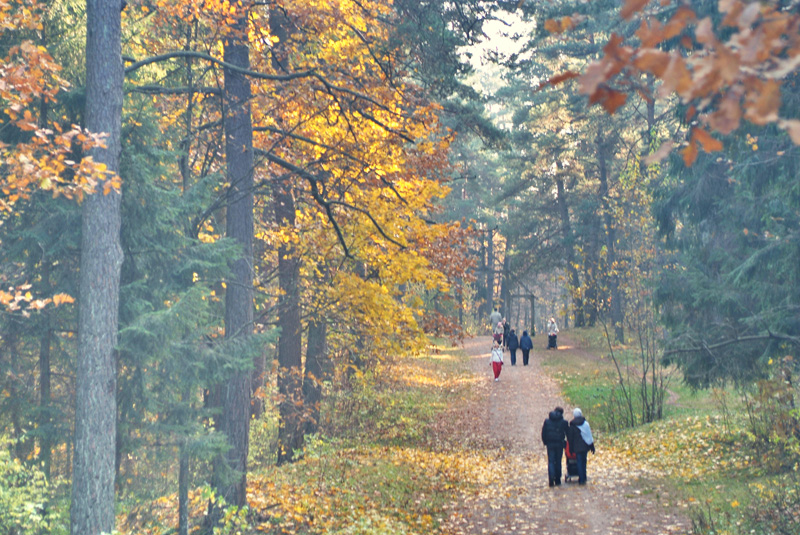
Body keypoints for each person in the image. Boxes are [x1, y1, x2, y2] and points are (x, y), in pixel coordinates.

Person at [541, 407, 569, 487]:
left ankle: (551, 478)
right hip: (559, 443)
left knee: (551, 461)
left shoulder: (547, 421)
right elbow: (568, 433)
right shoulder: (564, 422)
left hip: (550, 444)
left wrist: (545, 442)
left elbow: (544, 433)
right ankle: (557, 479)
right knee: (558, 461)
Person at [567, 407, 595, 485]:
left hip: (577, 447)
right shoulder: (585, 424)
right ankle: (584, 476)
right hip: (585, 446)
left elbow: (571, 438)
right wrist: (592, 446)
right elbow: (589, 435)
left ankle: (581, 478)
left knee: (579, 461)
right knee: (584, 461)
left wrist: (571, 449)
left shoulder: (572, 426)